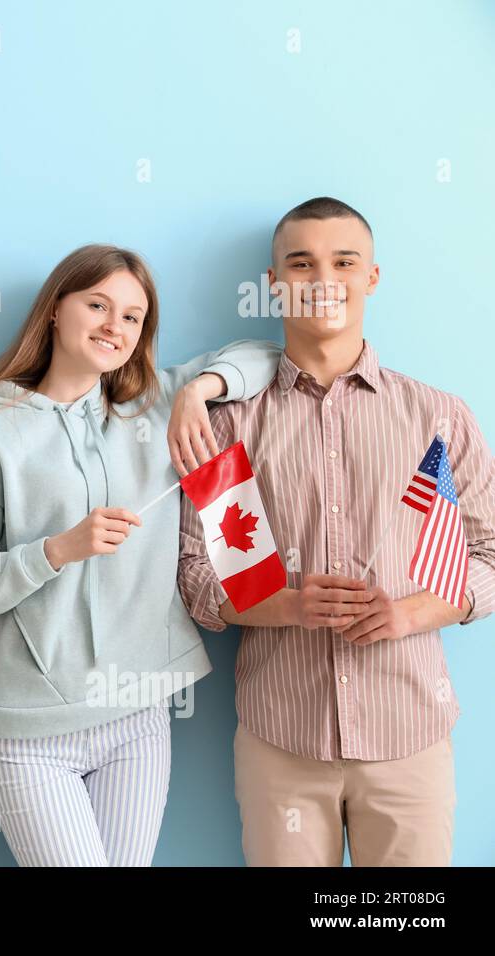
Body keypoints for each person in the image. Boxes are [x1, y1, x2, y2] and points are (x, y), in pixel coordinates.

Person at [0, 243, 281, 866]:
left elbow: (267, 356)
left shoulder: (155, 402)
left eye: (132, 316)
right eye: (97, 305)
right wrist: (58, 551)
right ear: (56, 310)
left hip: (137, 714)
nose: (114, 327)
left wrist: (199, 389)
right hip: (30, 729)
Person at [177, 197, 495, 866]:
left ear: (371, 277)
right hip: (281, 743)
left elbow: (489, 553)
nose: (323, 278)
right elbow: (201, 579)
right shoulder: (231, 426)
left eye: (343, 261)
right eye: (301, 263)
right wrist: (289, 604)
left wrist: (409, 613)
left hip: (410, 734)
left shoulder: (438, 415)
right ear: (274, 285)